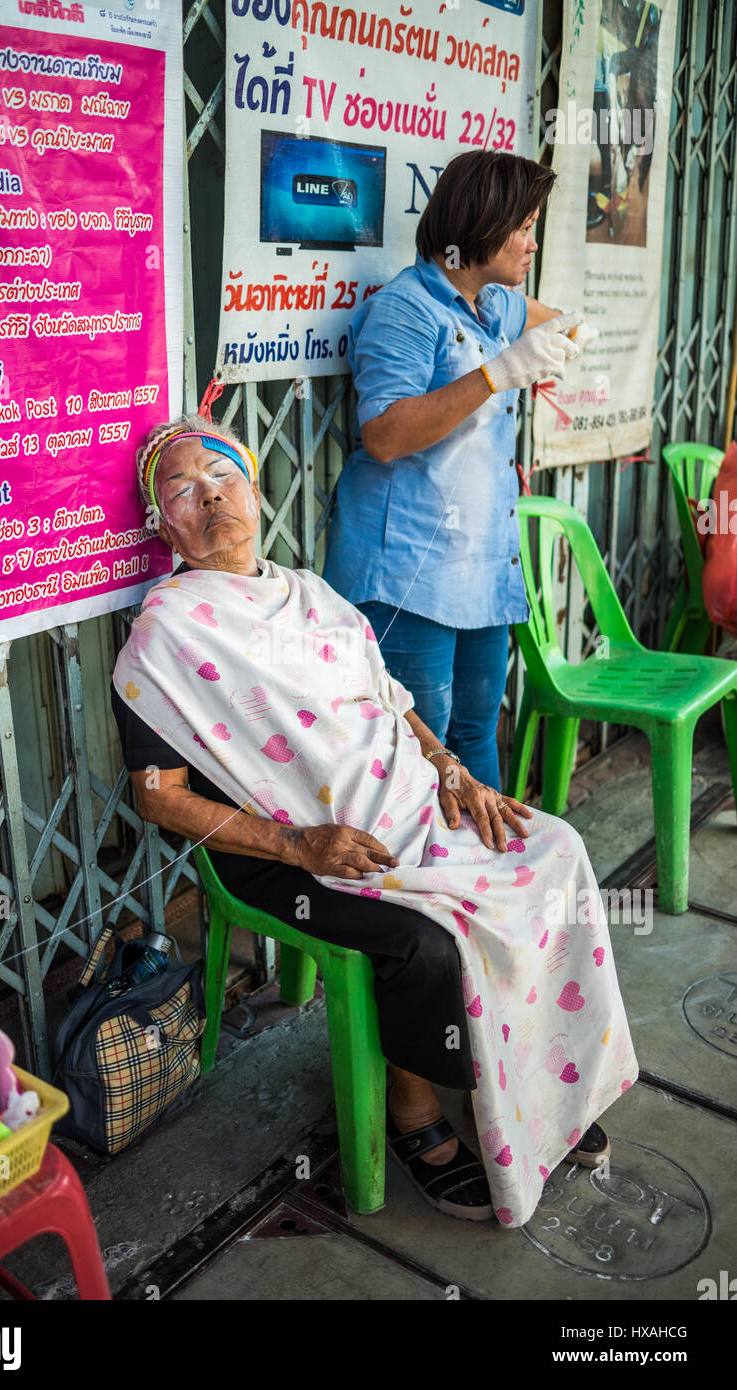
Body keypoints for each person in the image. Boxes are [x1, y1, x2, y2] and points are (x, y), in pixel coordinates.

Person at [111, 416, 637, 1229]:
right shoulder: (163, 635)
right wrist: (295, 842)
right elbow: (158, 796)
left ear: (256, 492)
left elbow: (389, 703)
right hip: (283, 848)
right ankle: (413, 1112)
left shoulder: (311, 595)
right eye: (181, 489)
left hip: (409, 798)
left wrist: (452, 771)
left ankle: (534, 1076)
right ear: (163, 525)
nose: (209, 494)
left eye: (222, 475)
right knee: (428, 938)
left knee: (554, 847)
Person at [322, 149, 597, 789]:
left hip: (479, 571)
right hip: (409, 576)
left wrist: (566, 337)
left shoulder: (487, 302)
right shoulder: (407, 309)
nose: (532, 244)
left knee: (476, 734)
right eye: (523, 227)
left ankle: (492, 879)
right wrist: (498, 373)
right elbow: (385, 434)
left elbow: (549, 320)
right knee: (422, 753)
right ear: (479, 223)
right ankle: (422, 886)